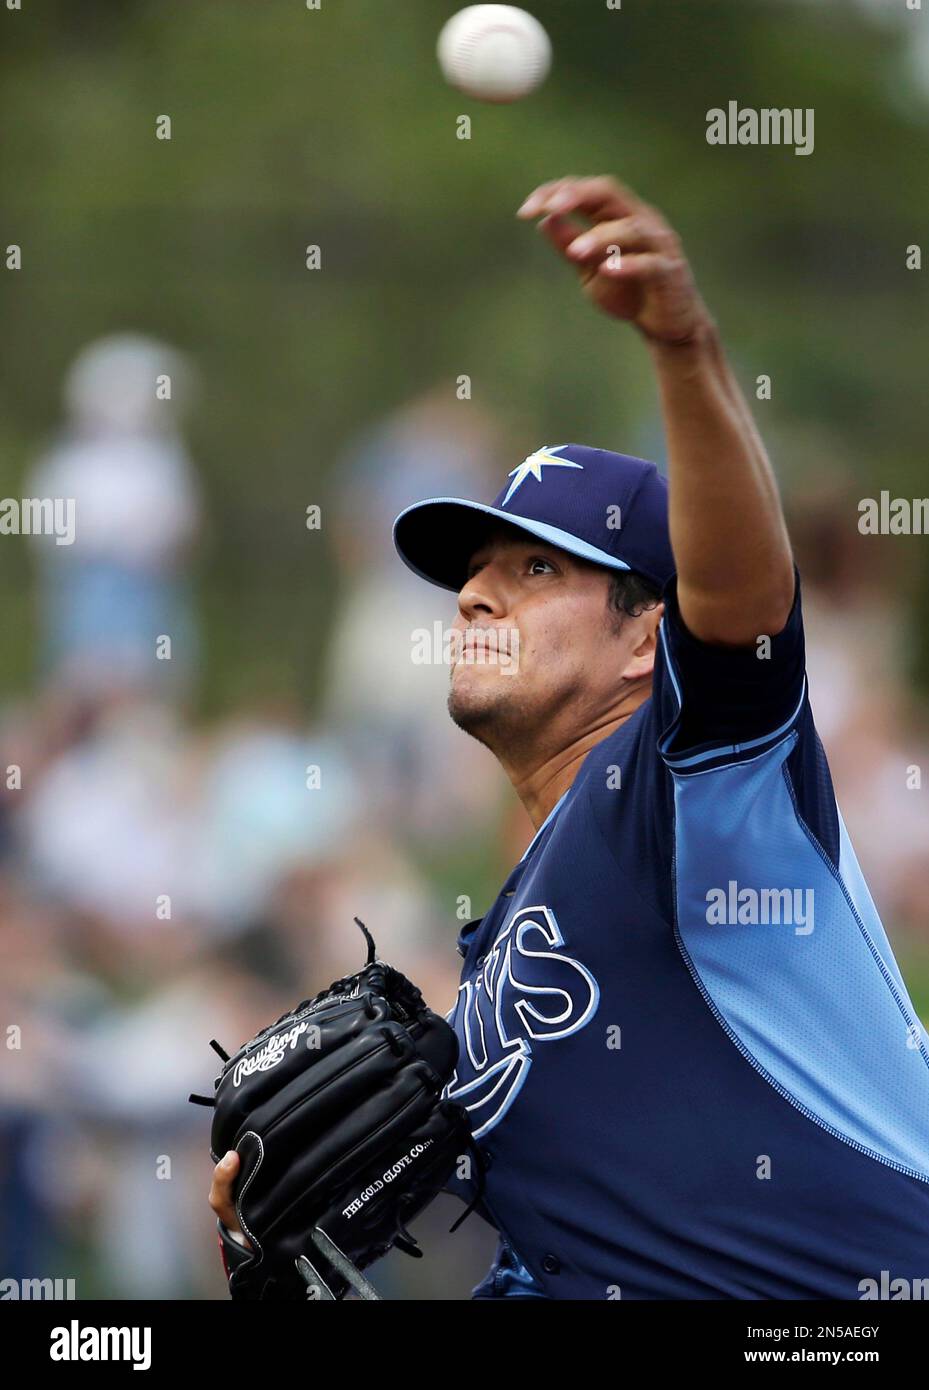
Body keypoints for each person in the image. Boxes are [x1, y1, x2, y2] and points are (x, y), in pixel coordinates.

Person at [210, 174, 929, 1299]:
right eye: (473, 575)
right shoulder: (499, 948)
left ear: (648, 633)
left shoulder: (692, 790)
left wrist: (683, 351)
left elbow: (741, 601)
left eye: (534, 569)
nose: (474, 599)